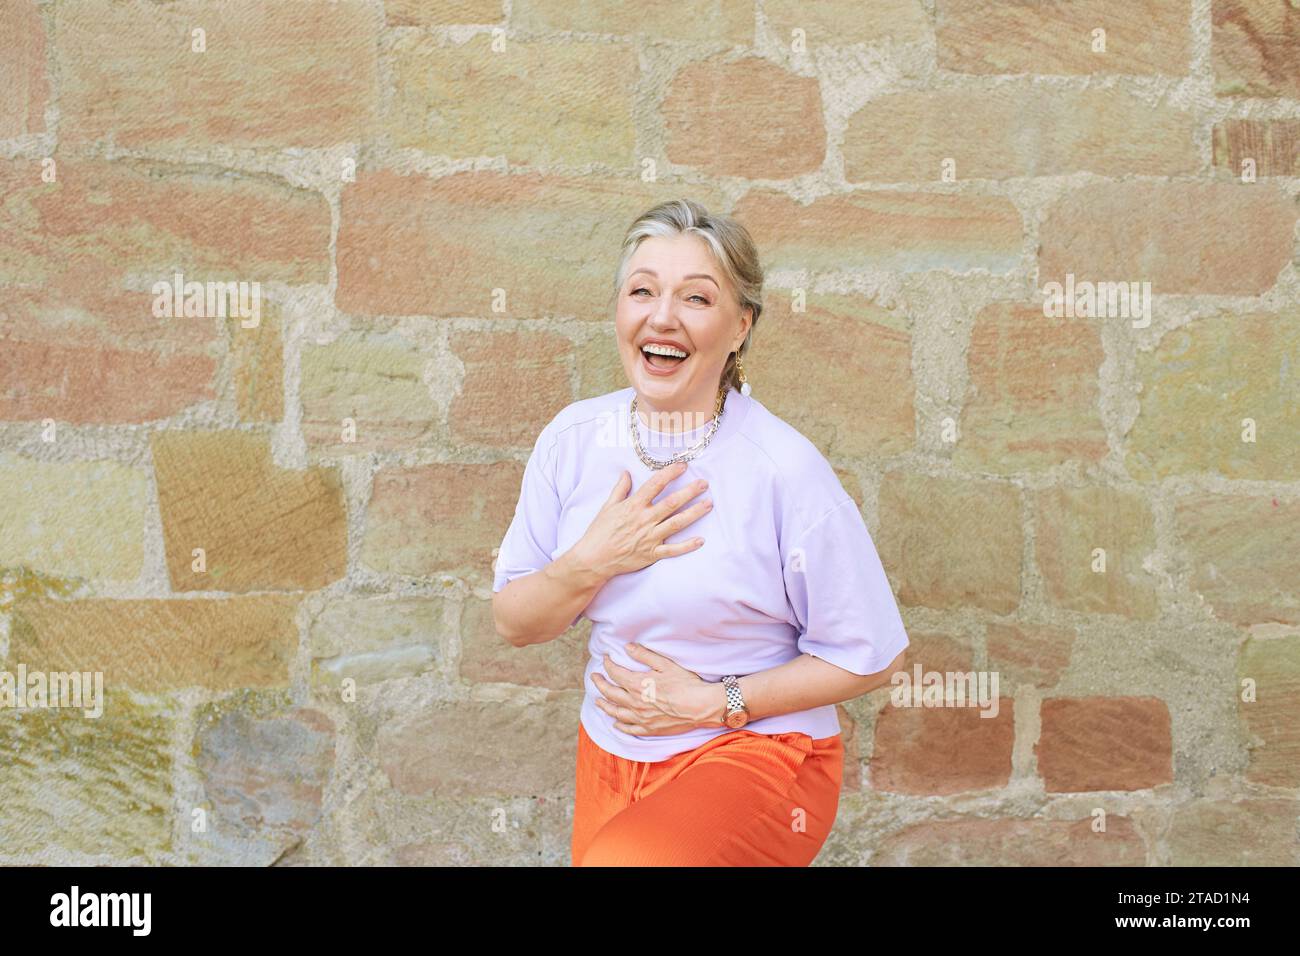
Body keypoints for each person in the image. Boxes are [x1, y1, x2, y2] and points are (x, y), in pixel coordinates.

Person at [491, 198, 909, 866]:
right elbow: (515, 623)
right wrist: (591, 561)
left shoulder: (783, 469)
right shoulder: (572, 440)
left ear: (740, 326)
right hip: (612, 751)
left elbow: (871, 652)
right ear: (620, 311)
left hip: (761, 752)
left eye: (696, 298)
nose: (662, 316)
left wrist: (716, 702)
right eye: (642, 291)